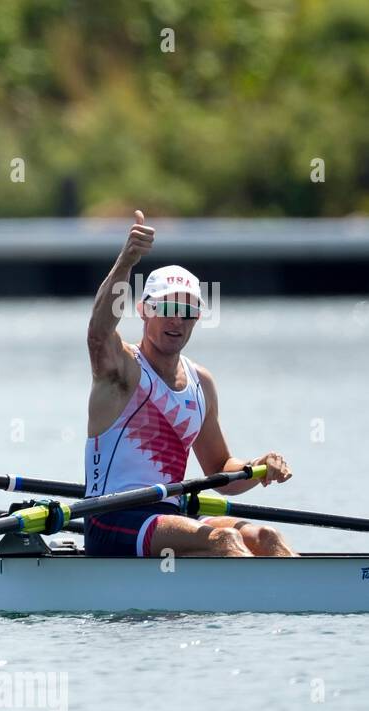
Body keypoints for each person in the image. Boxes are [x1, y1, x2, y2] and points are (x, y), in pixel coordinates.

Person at [84, 210, 296, 557]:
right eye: (167, 308)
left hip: (171, 518)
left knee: (267, 537)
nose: (177, 321)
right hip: (111, 519)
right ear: (144, 310)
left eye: (188, 312)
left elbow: (219, 469)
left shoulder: (201, 383)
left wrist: (258, 468)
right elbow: (98, 331)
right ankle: (264, 606)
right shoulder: (121, 369)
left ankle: (304, 604)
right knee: (224, 540)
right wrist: (127, 260)